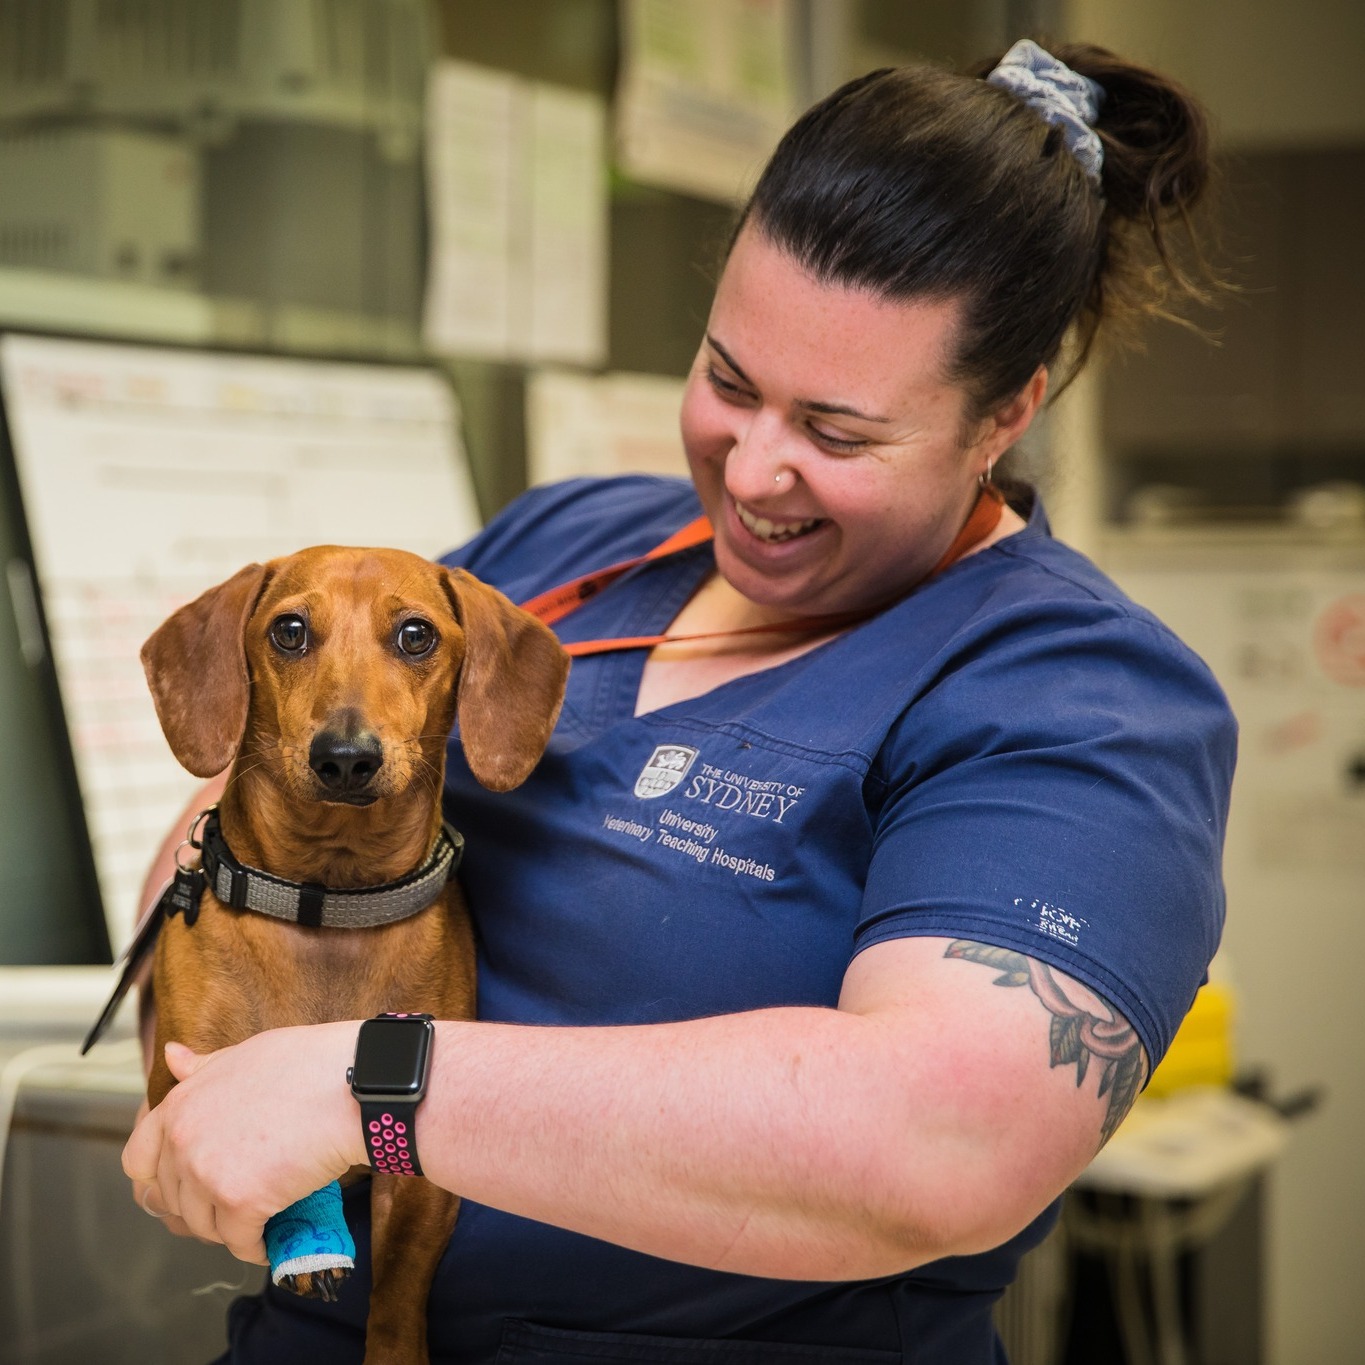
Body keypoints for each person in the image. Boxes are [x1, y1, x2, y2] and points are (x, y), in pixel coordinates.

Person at [124, 39, 1237, 1364]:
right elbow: (244, 784)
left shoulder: (1080, 695)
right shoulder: (569, 545)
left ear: (1003, 415)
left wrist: (370, 1088)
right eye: (726, 380)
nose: (752, 471)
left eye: (836, 431)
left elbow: (941, 1145)